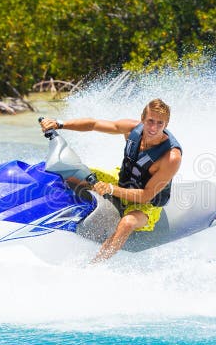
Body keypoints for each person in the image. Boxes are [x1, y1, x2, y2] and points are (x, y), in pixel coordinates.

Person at [39, 99, 182, 262]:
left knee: (127, 223)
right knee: (71, 174)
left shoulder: (171, 157)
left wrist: (111, 189)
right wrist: (59, 124)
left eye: (160, 123)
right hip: (121, 181)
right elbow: (94, 124)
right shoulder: (132, 128)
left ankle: (96, 264)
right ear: (143, 119)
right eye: (150, 121)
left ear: (166, 124)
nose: (154, 128)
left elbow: (146, 196)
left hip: (147, 203)